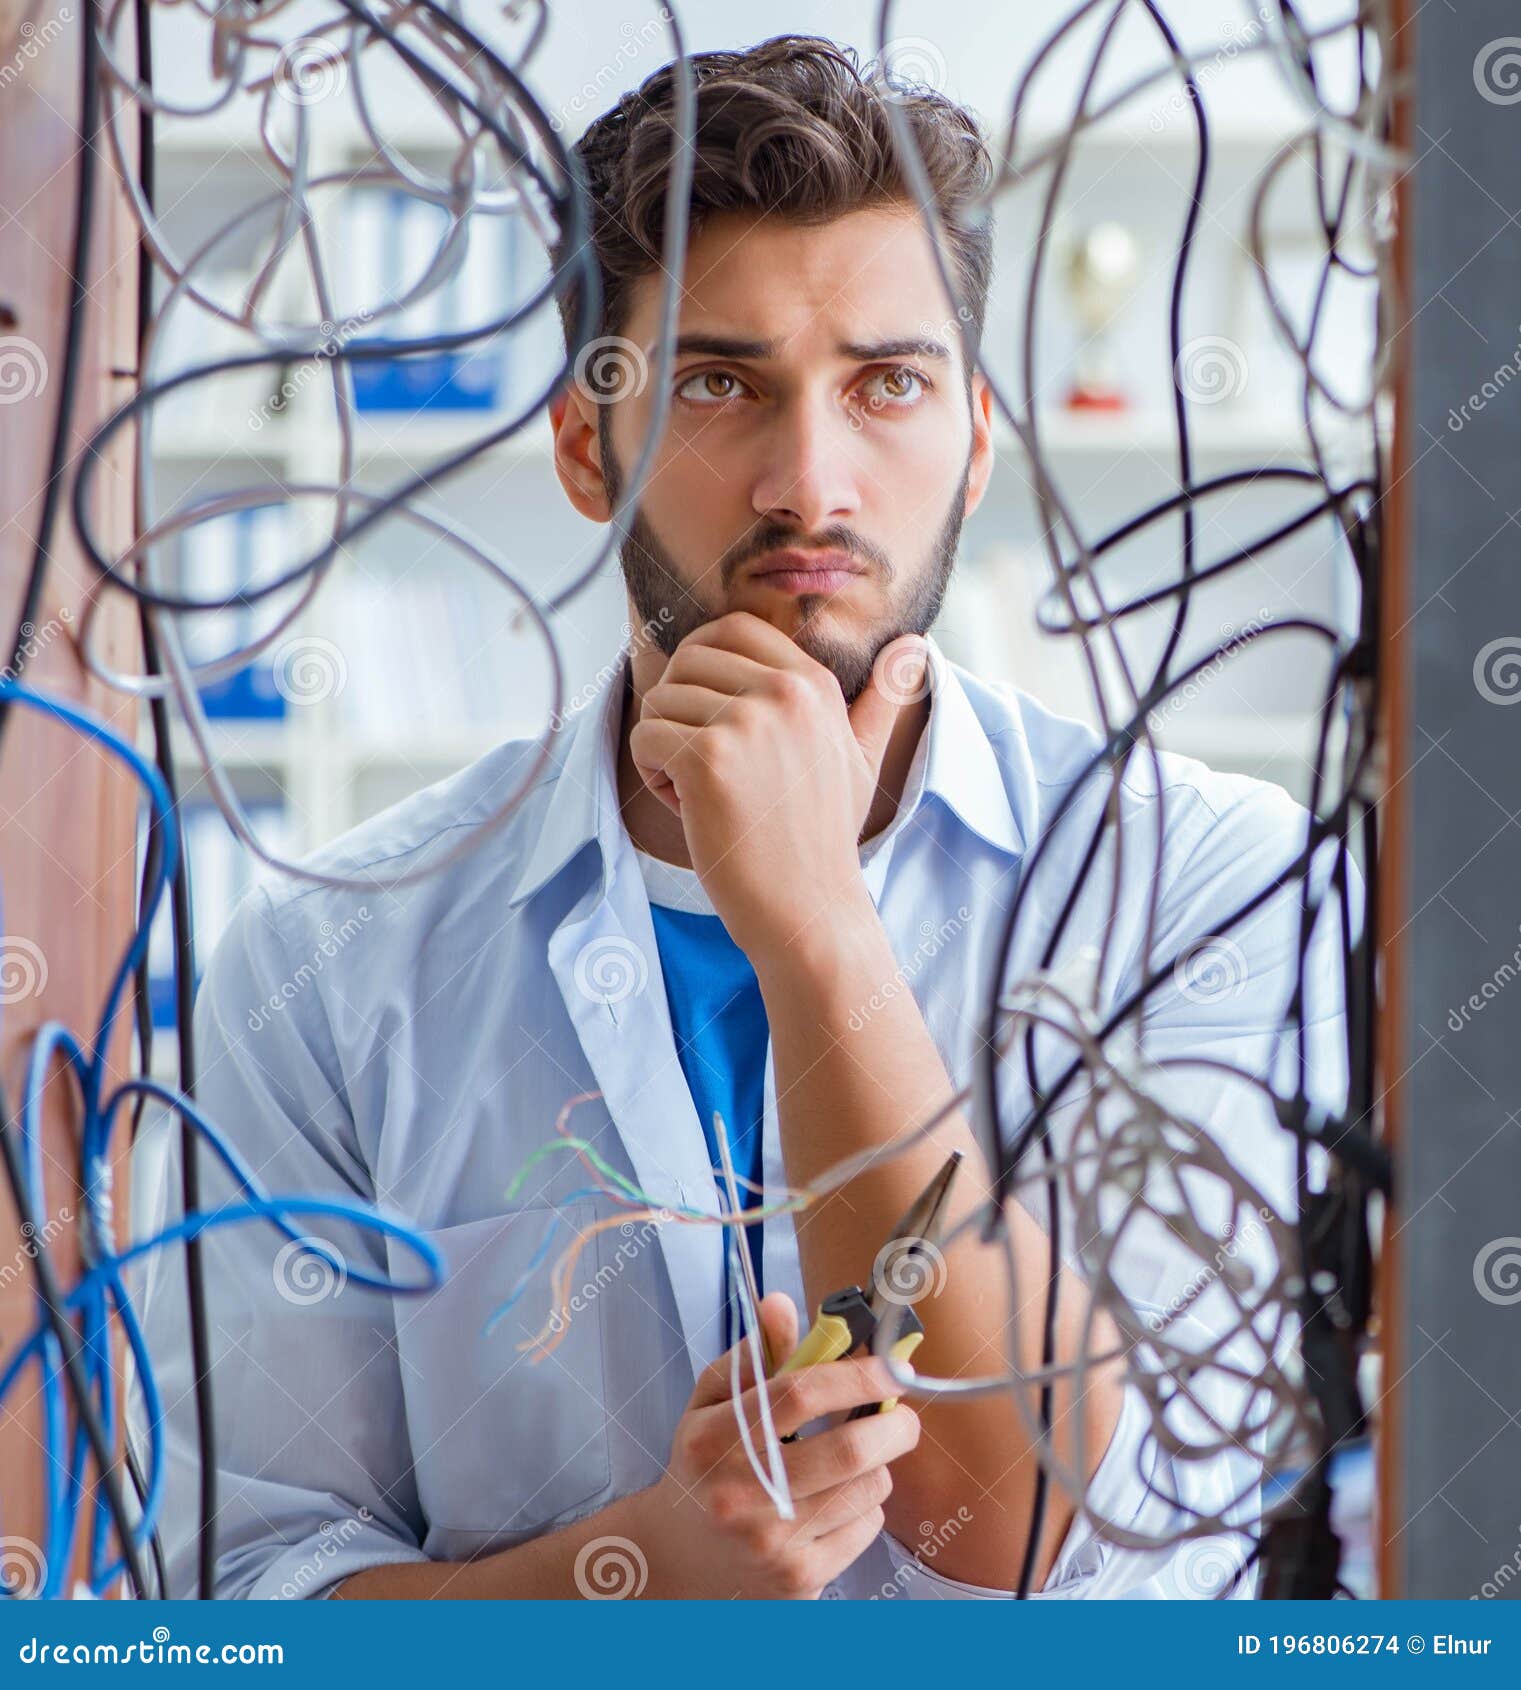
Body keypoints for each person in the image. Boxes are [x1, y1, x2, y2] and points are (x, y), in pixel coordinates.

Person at [134, 35, 1354, 1600]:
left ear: (976, 440)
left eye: (887, 383)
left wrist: (816, 923)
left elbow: (1072, 1543)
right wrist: (640, 1569)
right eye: (720, 382)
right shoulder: (325, 960)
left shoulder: (1204, 883)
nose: (808, 483)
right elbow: (251, 1604)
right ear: (586, 445)